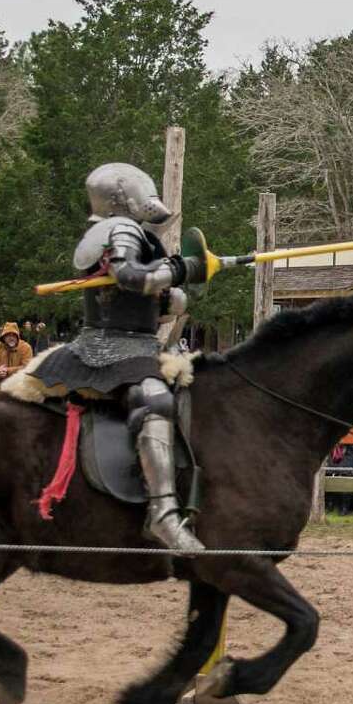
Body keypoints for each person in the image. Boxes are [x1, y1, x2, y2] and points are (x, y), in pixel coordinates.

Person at [25, 163, 209, 555]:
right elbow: (128, 277)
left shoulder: (132, 232)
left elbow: (147, 299)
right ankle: (161, 514)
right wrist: (180, 268)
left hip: (140, 343)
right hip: (110, 346)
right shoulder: (118, 229)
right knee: (154, 399)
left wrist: (172, 293)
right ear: (122, 198)